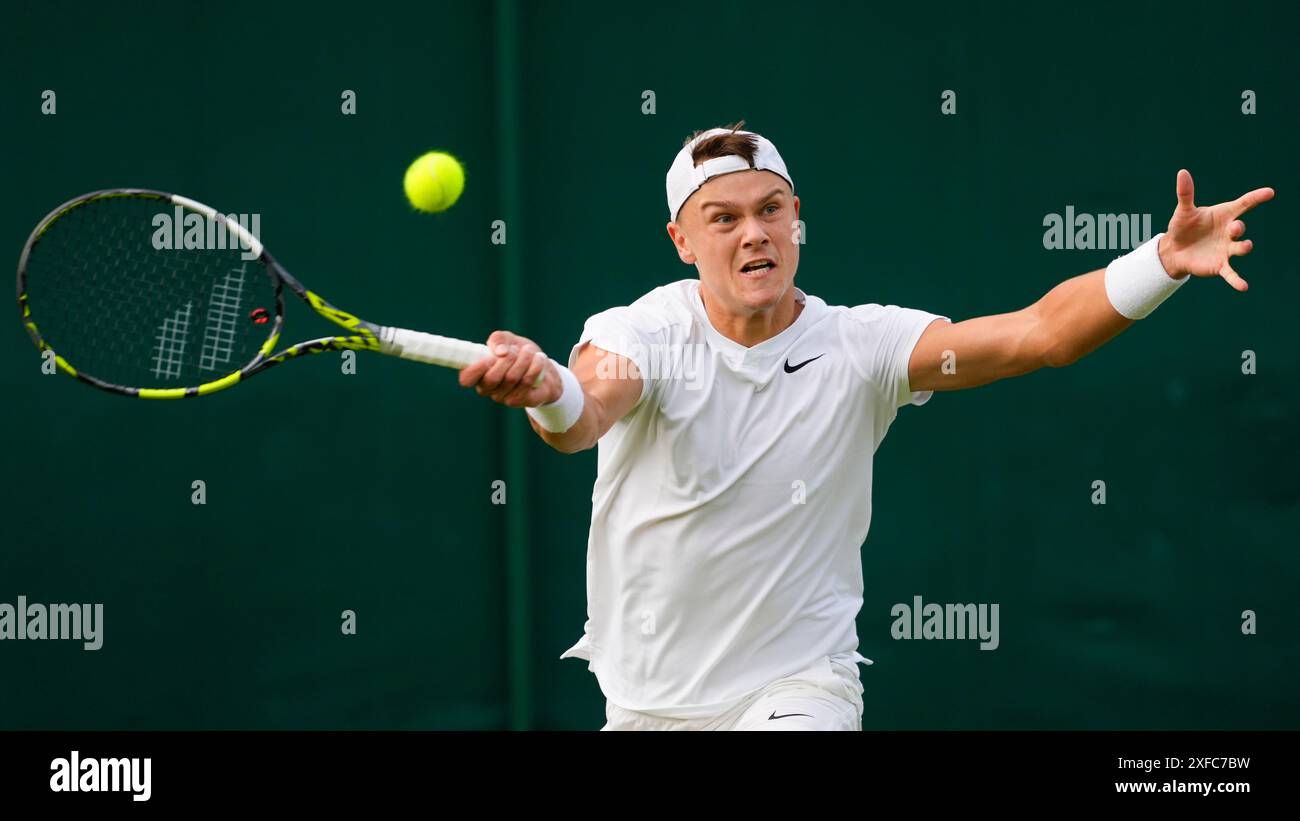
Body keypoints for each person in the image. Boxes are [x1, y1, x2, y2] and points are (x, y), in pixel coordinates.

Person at [458, 122, 1274, 730]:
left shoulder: (862, 345)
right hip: (645, 700)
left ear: (796, 217)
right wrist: (547, 390)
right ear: (682, 240)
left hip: (800, 686)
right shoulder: (641, 332)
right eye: (724, 218)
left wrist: (1159, 263)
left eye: (771, 209)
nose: (755, 233)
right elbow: (584, 413)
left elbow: (1041, 334)